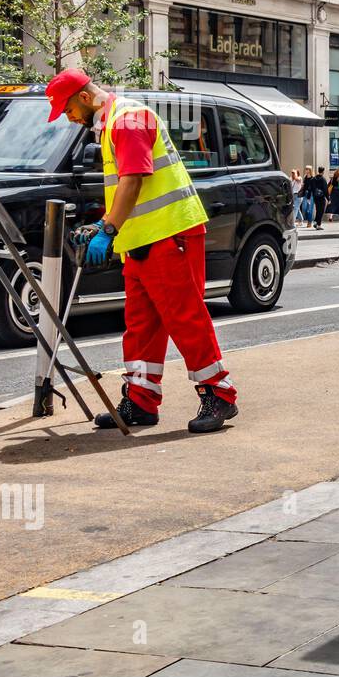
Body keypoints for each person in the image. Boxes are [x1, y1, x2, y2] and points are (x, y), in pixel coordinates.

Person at [47, 68, 238, 433]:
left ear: (84, 98)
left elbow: (134, 180)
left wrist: (107, 228)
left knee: (185, 319)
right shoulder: (113, 124)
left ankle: (220, 394)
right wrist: (106, 226)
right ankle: (140, 400)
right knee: (141, 327)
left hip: (169, 235)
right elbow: (126, 187)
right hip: (142, 239)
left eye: (68, 109)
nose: (68, 118)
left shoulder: (129, 120)